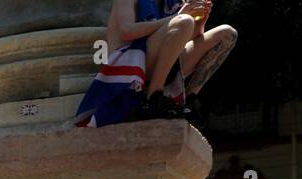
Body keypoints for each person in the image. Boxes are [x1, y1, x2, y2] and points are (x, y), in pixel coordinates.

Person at [76, 0, 236, 126]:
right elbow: (127, 31)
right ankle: (154, 98)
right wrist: (177, 18)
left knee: (227, 34)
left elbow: (186, 37)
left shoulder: (174, 2)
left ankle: (191, 98)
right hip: (130, 65)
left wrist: (201, 20)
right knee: (184, 21)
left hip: (161, 62)